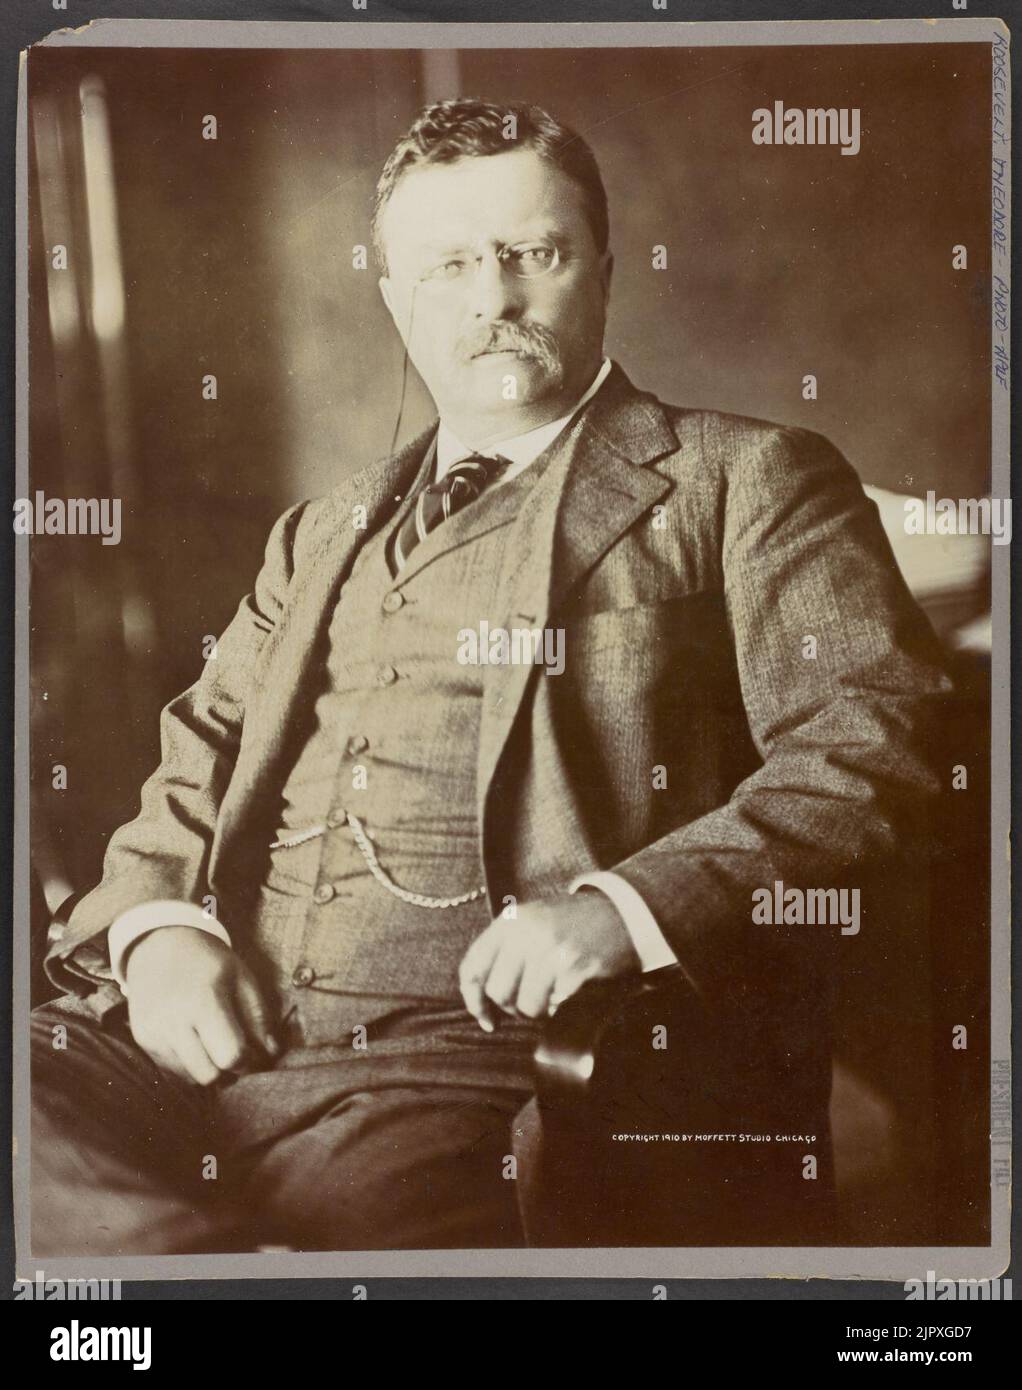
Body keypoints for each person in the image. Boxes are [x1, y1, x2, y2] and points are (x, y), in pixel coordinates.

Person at [32, 97, 950, 1254]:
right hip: (181, 1030)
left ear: (603, 268)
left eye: (534, 253)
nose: (492, 298)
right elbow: (198, 749)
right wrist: (159, 935)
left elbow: (876, 747)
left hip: (455, 1066)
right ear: (392, 297)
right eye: (448, 264)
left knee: (344, 1242)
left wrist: (625, 908)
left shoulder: (745, 479)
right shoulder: (320, 530)